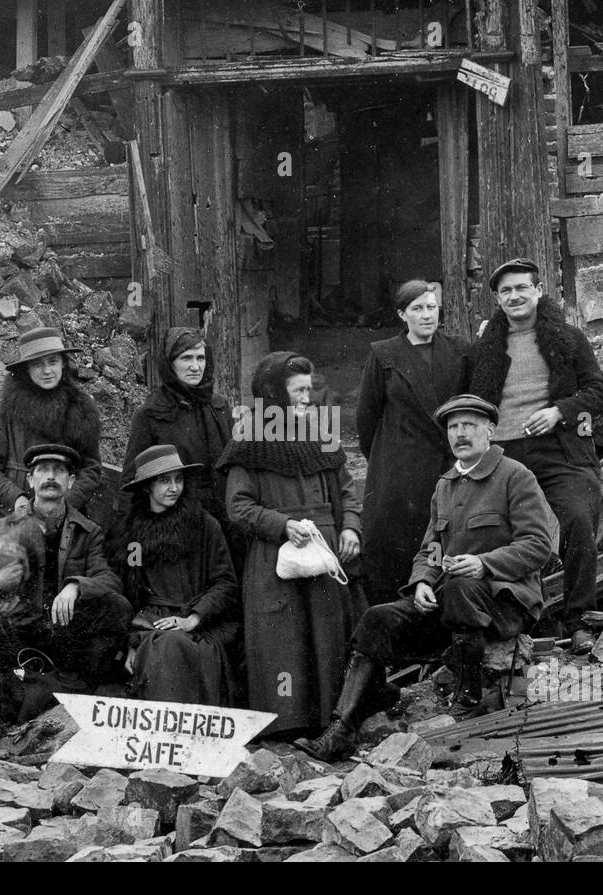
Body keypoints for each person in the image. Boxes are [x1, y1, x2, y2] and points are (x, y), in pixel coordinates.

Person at [299, 395, 558, 762]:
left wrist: (484, 564)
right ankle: (343, 728)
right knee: (378, 618)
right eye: (453, 427)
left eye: (470, 425)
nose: (460, 434)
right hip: (453, 603)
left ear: (491, 431)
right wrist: (422, 581)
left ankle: (467, 698)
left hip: (506, 603)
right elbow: (430, 549)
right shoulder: (446, 485)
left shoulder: (515, 476)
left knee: (461, 586)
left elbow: (538, 545)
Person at [462, 257, 603, 654]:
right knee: (498, 536)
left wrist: (559, 410)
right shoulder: (484, 349)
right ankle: (513, 626)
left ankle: (578, 620)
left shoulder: (569, 339)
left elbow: (598, 391)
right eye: (506, 291)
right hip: (505, 457)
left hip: (560, 452)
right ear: (497, 299)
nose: (515, 296)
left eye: (522, 287)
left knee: (577, 521)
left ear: (538, 291)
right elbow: (468, 404)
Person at [218, 351, 361, 738]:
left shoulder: (321, 433)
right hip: (275, 555)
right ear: (274, 394)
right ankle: (286, 725)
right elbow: (238, 505)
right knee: (283, 638)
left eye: (309, 390)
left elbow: (347, 492)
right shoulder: (249, 439)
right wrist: (281, 524)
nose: (306, 398)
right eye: (296, 391)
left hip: (326, 548)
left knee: (327, 634)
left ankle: (332, 722)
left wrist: (350, 528)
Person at [0, 443, 132, 741]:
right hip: (17, 634)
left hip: (66, 638)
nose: (51, 477)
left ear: (70, 482)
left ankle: (82, 691)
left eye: (59, 471)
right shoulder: (2, 527)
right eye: (43, 471)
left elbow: (109, 578)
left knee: (116, 606)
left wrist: (76, 586)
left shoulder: (88, 532)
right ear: (30, 481)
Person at [356, 280, 466, 605]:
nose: (426, 315)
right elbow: (367, 418)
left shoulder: (459, 350)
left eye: (431, 307)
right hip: (399, 468)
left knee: (440, 537)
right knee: (391, 540)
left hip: (445, 464)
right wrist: (386, 459)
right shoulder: (384, 354)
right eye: (417, 309)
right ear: (403, 314)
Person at [107, 444, 241, 705]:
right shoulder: (131, 535)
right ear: (146, 487)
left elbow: (225, 582)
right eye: (164, 481)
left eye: (179, 480)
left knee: (175, 645)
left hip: (201, 623)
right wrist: (131, 644)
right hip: (150, 624)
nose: (174, 488)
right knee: (164, 645)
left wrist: (193, 618)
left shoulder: (204, 525)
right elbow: (129, 594)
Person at [122, 326, 238, 560]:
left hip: (224, 524)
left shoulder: (219, 407)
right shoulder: (150, 414)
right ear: (169, 363)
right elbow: (131, 482)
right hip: (177, 526)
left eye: (201, 358)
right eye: (186, 358)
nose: (196, 367)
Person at [0, 327, 103, 530]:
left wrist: (64, 505)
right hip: (10, 515)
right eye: (37, 364)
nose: (46, 371)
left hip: (63, 517)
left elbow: (91, 469)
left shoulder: (82, 408)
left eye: (53, 362)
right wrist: (16, 500)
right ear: (26, 369)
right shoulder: (3, 411)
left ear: (63, 363)